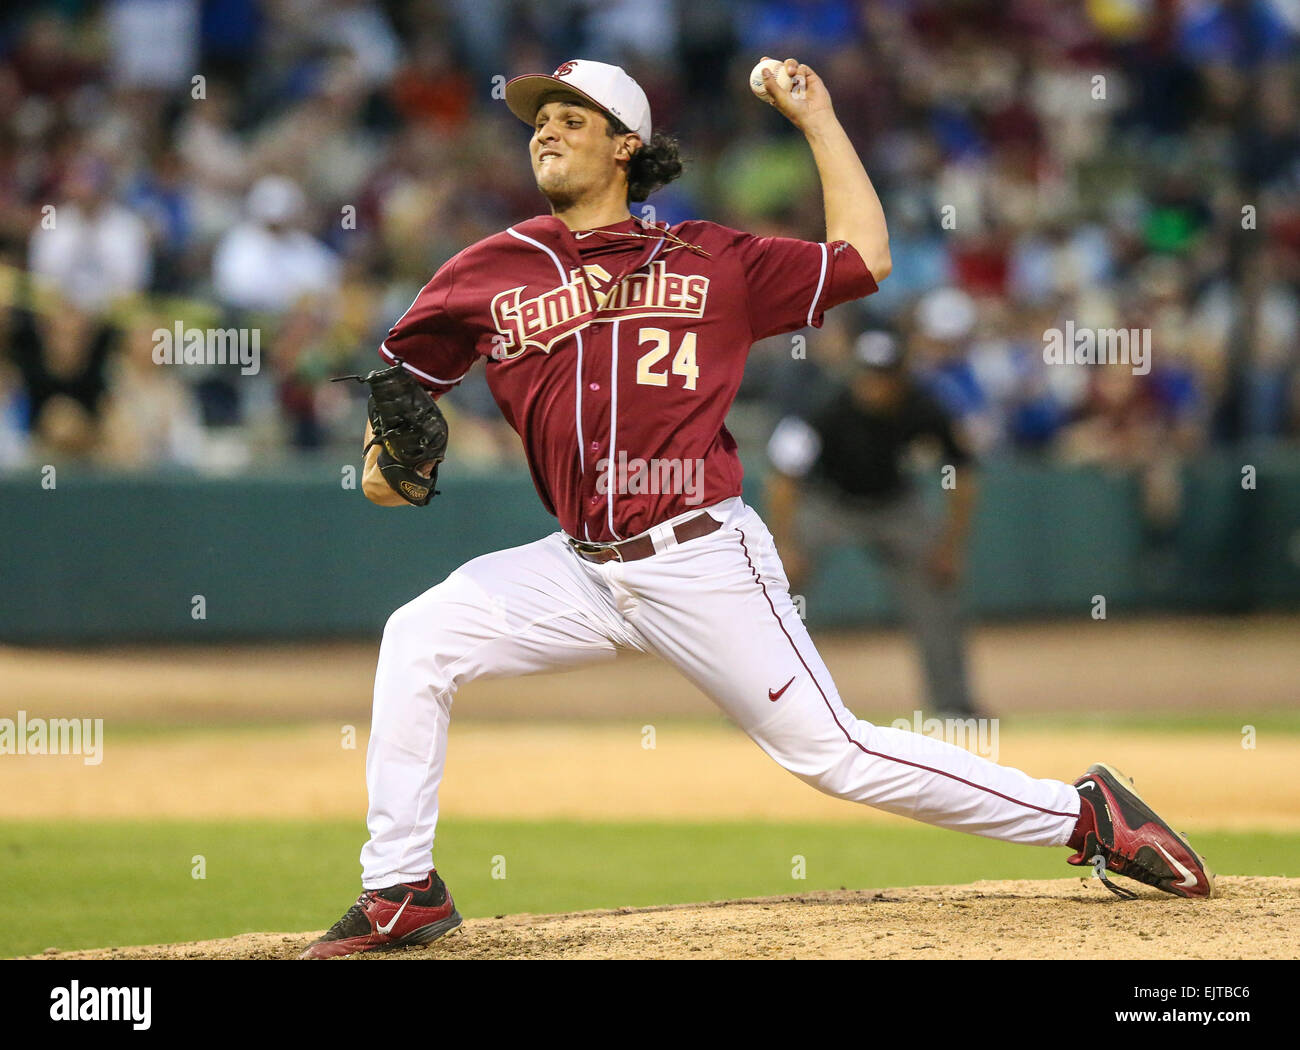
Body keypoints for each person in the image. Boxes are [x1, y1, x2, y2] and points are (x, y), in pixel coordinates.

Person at [300, 58, 1212, 959]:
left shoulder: (715, 258)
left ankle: (1084, 813)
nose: (546, 128)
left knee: (833, 754)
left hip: (700, 556)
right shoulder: (487, 270)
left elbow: (867, 257)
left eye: (573, 119)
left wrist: (815, 118)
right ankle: (402, 889)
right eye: (540, 119)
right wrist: (389, 467)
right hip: (577, 566)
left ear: (628, 148)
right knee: (420, 636)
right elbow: (394, 432)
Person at [765, 329, 980, 717]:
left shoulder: (924, 406)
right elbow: (783, 477)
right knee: (777, 589)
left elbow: (962, 474)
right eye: (867, 373)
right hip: (829, 502)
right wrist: (786, 545)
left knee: (936, 590)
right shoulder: (825, 405)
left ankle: (953, 706)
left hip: (897, 506)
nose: (873, 384)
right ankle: (766, 702)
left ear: (900, 377)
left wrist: (950, 545)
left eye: (883, 375)